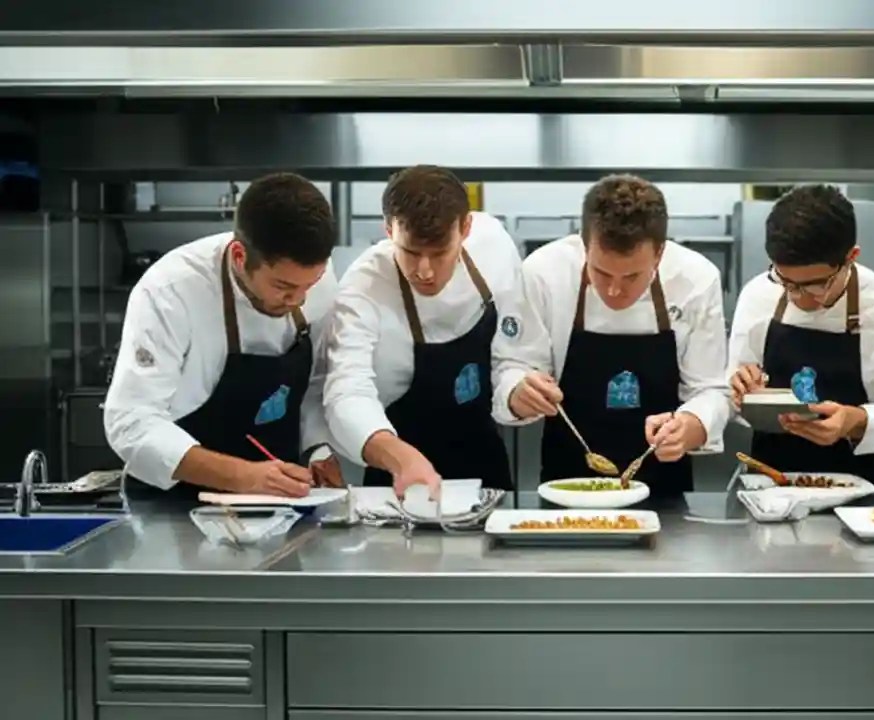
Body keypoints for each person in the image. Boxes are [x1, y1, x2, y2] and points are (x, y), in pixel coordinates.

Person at [104, 172, 343, 500]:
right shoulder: (170, 291)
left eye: (310, 285)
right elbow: (130, 423)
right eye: (283, 287)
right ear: (240, 257)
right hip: (175, 504)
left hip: (280, 502)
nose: (299, 300)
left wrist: (317, 448)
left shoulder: (317, 279)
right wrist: (244, 476)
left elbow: (316, 384)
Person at [496, 174, 732, 497]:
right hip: (566, 484)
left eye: (632, 276)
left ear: (660, 253)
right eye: (601, 273)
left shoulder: (696, 280)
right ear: (584, 245)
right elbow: (512, 366)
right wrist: (518, 391)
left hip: (665, 486)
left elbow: (710, 390)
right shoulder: (544, 273)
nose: (614, 291)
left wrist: (692, 424)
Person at [323, 165, 537, 497]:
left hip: (484, 463)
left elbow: (512, 352)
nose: (425, 271)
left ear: (466, 228)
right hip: (397, 473)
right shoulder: (364, 288)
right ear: (388, 230)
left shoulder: (493, 247)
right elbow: (346, 392)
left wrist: (517, 390)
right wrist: (400, 458)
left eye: (440, 254)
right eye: (410, 252)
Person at [727, 185, 874, 492]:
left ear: (851, 257)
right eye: (785, 282)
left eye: (815, 286)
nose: (797, 297)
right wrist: (744, 393)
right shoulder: (758, 295)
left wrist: (856, 420)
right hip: (766, 488)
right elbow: (731, 395)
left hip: (854, 492)